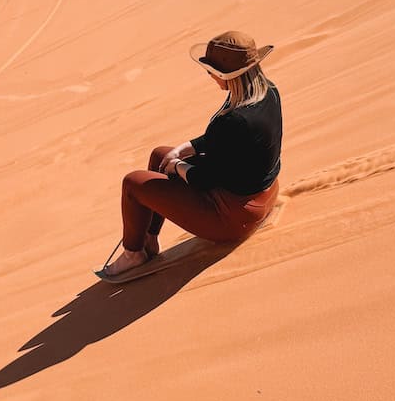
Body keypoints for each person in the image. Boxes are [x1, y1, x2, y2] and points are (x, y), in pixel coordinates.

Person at [102, 31, 283, 277]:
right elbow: (224, 144)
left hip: (234, 217)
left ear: (224, 74)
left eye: (210, 71)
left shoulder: (234, 120)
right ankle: (150, 239)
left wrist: (177, 166)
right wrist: (182, 150)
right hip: (265, 192)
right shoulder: (266, 93)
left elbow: (204, 179)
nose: (209, 76)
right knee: (159, 155)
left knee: (132, 183)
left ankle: (133, 254)